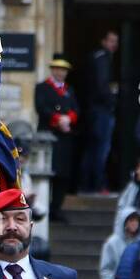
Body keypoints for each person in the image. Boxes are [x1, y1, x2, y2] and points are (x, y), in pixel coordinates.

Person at [35, 54, 79, 222]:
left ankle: (56, 208)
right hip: (48, 136)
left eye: (64, 70)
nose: (61, 72)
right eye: (58, 69)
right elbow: (41, 108)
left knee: (63, 174)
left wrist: (69, 119)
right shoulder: (42, 87)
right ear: (53, 70)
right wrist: (57, 119)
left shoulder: (69, 90)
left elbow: (76, 110)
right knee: (49, 172)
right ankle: (44, 207)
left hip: (64, 138)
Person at [79, 30, 119, 194]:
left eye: (116, 42)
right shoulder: (102, 59)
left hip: (93, 110)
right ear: (103, 42)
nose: (114, 45)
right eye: (111, 41)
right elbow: (102, 86)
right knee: (100, 150)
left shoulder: (98, 58)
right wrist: (113, 98)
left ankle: (85, 185)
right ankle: (96, 185)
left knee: (93, 149)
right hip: (101, 111)